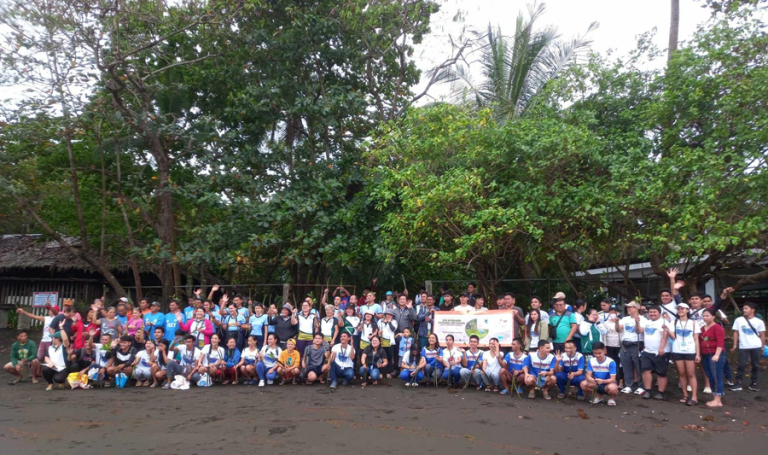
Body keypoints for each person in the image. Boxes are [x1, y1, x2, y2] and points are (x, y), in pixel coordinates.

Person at [668, 303, 700, 405]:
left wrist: (698, 354)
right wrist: (667, 330)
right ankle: (685, 395)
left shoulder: (693, 323)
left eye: (683, 309)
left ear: (687, 310)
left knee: (691, 374)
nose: (680, 310)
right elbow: (673, 337)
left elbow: (696, 339)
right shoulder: (674, 322)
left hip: (690, 350)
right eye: (679, 309)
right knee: (681, 373)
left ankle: (694, 397)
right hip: (677, 350)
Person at [730, 301, 766, 392]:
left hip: (756, 346)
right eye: (743, 308)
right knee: (741, 365)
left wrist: (762, 347)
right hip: (743, 346)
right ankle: (738, 383)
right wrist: (735, 344)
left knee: (755, 365)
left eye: (746, 308)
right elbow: (736, 332)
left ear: (752, 310)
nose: (744, 310)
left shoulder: (759, 322)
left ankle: (753, 383)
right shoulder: (739, 320)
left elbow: (762, 335)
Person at [16, 304, 56, 380]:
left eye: (50, 309)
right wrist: (23, 311)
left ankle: (51, 373)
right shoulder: (46, 318)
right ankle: (38, 372)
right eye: (49, 310)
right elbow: (34, 316)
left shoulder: (57, 318)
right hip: (43, 340)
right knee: (39, 357)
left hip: (51, 340)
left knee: (50, 357)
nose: (49, 311)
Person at [638, 305, 670, 400]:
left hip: (660, 351)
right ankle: (648, 391)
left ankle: (660, 392)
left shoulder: (663, 322)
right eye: (650, 312)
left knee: (661, 373)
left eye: (654, 312)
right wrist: (637, 322)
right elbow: (640, 331)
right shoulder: (647, 322)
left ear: (659, 313)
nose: (652, 314)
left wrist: (661, 348)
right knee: (646, 370)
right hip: (647, 351)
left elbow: (664, 335)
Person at [616, 301, 644, 394]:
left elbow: (639, 331)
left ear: (636, 308)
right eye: (627, 307)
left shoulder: (643, 319)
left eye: (630, 307)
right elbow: (618, 330)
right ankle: (629, 385)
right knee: (626, 365)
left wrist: (637, 323)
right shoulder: (624, 319)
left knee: (639, 366)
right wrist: (616, 322)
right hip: (625, 344)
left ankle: (641, 386)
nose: (628, 309)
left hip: (636, 344)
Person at [700, 308, 726, 407]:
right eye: (703, 316)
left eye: (707, 316)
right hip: (705, 354)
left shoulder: (718, 328)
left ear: (713, 317)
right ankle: (714, 396)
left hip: (715, 355)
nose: (705, 318)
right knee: (710, 375)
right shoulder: (702, 328)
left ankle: (718, 399)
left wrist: (717, 355)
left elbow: (720, 343)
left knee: (716, 376)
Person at [581, 342, 619, 406]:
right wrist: (591, 379)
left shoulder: (610, 362)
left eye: (599, 353)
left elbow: (613, 379)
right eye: (595, 353)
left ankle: (611, 398)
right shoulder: (591, 361)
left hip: (607, 383)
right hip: (596, 382)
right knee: (583, 384)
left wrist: (603, 381)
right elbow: (588, 375)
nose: (597, 355)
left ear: (604, 350)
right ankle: (598, 396)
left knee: (613, 388)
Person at [379, 308, 398, 378]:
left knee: (389, 357)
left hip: (390, 342)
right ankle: (381, 372)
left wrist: (389, 322)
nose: (388, 316)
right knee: (381, 357)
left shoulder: (394, 322)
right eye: (387, 314)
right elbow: (378, 329)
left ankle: (388, 372)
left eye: (390, 315)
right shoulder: (380, 321)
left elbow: (393, 329)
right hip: (381, 341)